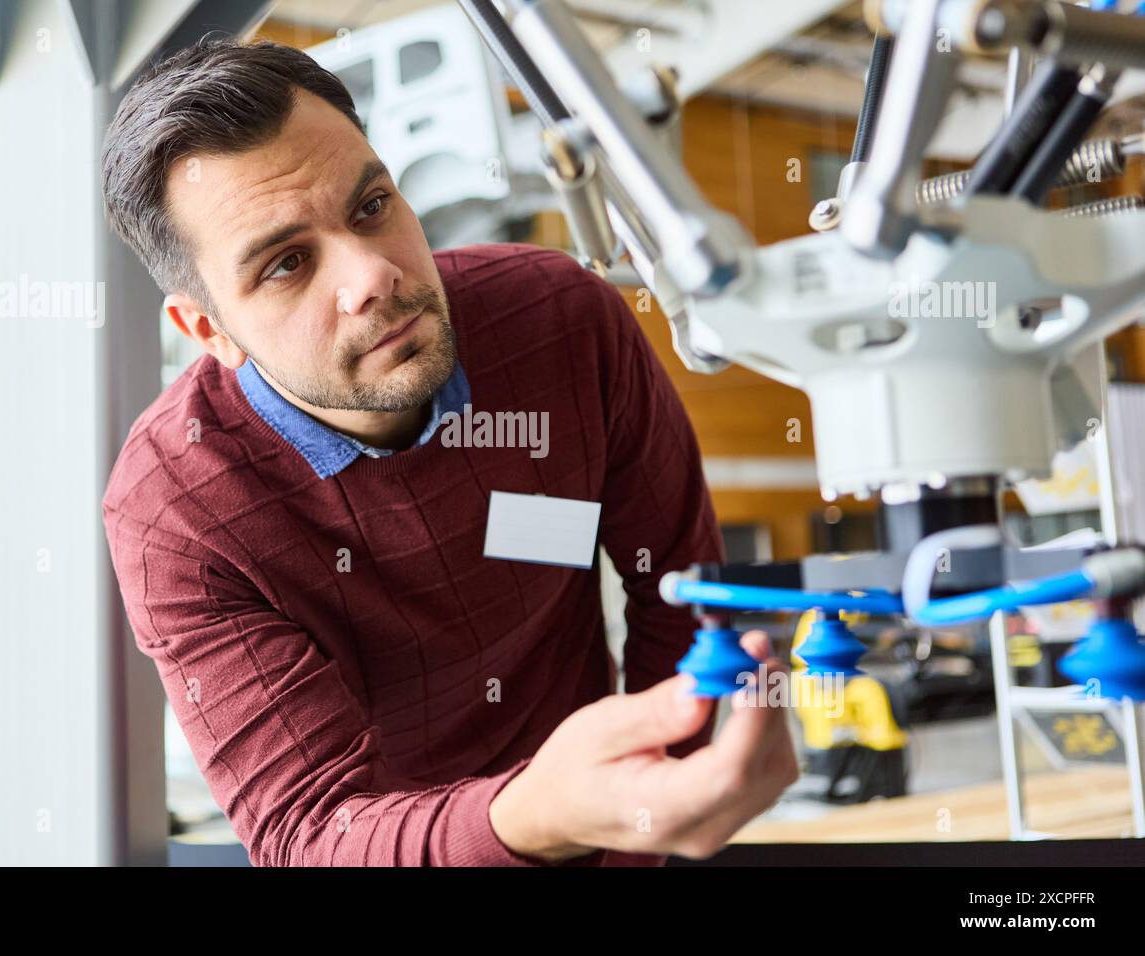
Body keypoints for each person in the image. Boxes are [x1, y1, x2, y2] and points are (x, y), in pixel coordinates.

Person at [99, 38, 796, 866]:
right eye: (288, 264)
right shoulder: (176, 513)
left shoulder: (559, 323)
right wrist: (530, 816)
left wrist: (652, 805)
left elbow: (680, 597)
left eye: (370, 207)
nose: (371, 275)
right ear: (208, 329)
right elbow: (310, 833)